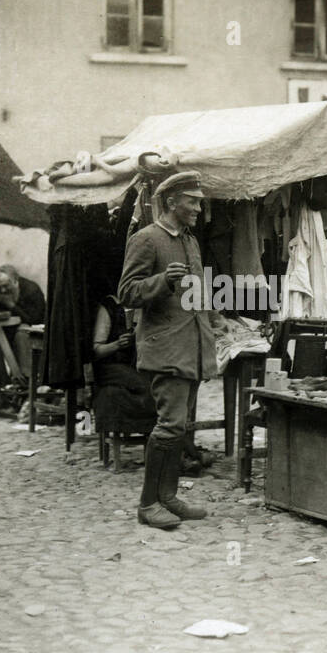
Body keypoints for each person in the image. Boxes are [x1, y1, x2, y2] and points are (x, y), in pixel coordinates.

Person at [119, 171, 222, 529]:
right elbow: (127, 293)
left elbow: (195, 290)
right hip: (165, 350)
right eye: (192, 201)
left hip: (191, 348)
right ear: (171, 201)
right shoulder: (146, 239)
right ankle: (148, 504)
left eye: (199, 200)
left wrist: (215, 323)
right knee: (169, 426)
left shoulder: (190, 241)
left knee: (178, 428)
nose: (198, 207)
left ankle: (169, 497)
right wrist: (163, 281)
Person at [91, 293, 157, 439]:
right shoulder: (109, 307)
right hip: (109, 367)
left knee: (159, 387)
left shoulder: (143, 303)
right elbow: (96, 351)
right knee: (147, 388)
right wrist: (117, 344)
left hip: (133, 366)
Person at [0, 264, 45, 390]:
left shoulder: (31, 290)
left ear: (16, 281)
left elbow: (35, 319)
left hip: (33, 329)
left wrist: (11, 306)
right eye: (0, 286)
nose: (3, 290)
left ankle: (25, 379)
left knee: (21, 334)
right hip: (8, 327)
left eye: (6, 286)